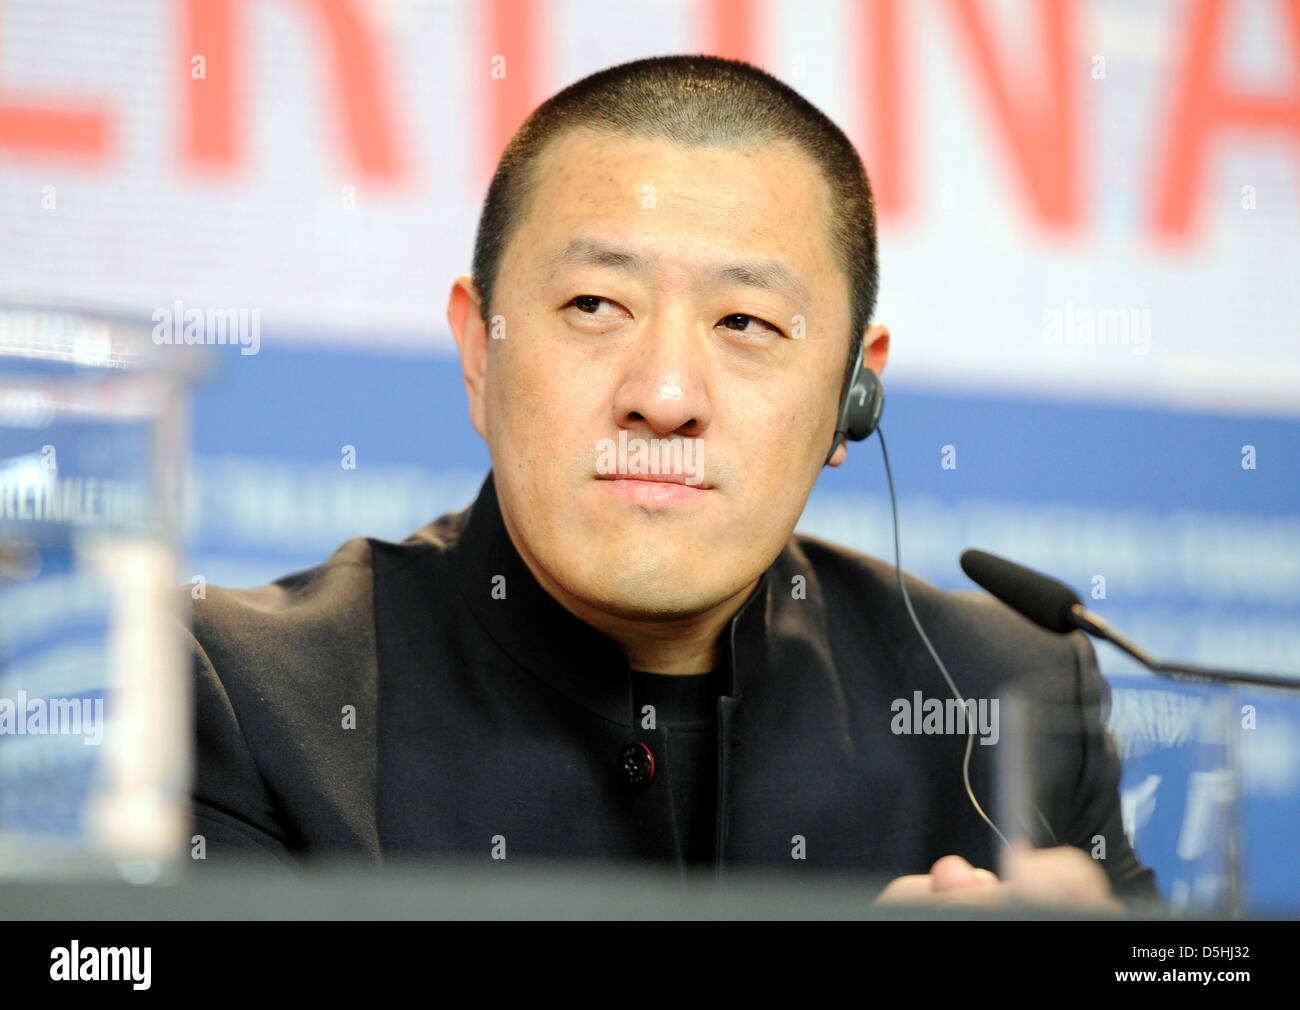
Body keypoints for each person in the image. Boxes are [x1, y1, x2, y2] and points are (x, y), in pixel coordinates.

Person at [187, 54, 1159, 911]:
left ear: (850, 395)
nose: (662, 396)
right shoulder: (242, 694)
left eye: (745, 323)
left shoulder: (1004, 695)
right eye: (595, 303)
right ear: (480, 351)